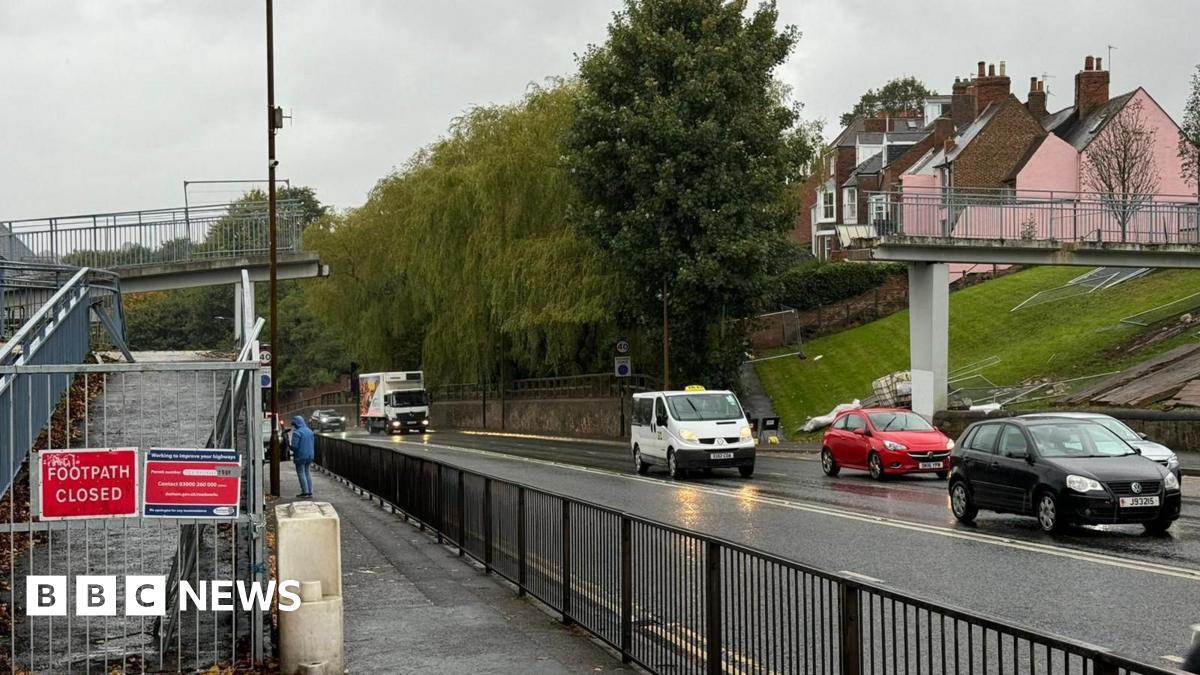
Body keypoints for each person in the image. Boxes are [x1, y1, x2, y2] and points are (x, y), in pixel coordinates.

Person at [290, 415, 315, 498]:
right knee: (307, 472)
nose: (294, 426)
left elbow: (294, 447)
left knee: (301, 473)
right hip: (310, 455)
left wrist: (289, 446)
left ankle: (305, 492)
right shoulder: (309, 431)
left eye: (294, 424)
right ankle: (309, 491)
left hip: (300, 456)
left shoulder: (297, 433)